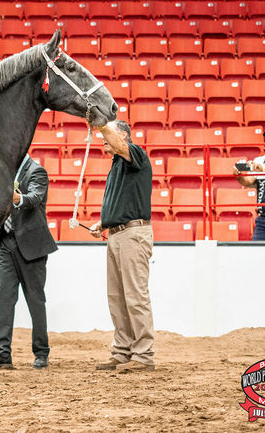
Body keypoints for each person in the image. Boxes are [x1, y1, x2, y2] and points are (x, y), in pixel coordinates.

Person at [88, 120, 155, 373]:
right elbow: (121, 203)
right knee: (117, 297)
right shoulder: (118, 164)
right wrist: (103, 223)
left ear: (124, 137)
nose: (103, 139)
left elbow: (116, 142)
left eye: (109, 135)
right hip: (118, 234)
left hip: (133, 234)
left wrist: (99, 121)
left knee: (135, 296)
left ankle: (144, 354)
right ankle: (123, 350)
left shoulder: (134, 154)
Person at [0, 154, 58, 370]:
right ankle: (1, 352)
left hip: (32, 246)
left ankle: (41, 352)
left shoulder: (36, 172)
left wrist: (16, 198)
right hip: (6, 243)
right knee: (3, 298)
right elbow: (0, 213)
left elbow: (34, 198)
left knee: (35, 300)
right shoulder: (6, 172)